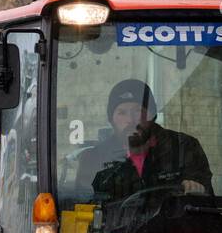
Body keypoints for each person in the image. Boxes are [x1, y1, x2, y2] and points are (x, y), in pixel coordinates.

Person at [77, 79, 214, 203]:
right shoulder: (93, 159)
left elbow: (205, 201)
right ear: (111, 119)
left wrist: (195, 187)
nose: (130, 119)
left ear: (152, 115)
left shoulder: (183, 148)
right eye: (122, 112)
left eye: (138, 110)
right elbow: (83, 204)